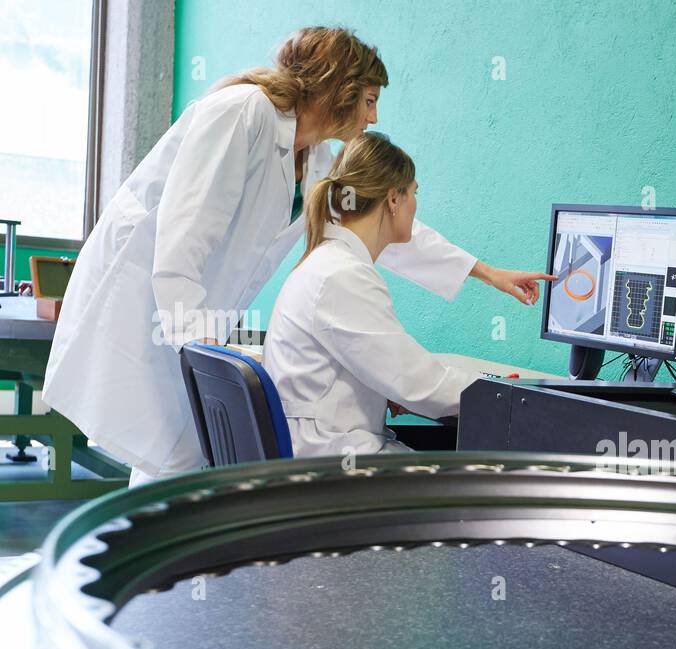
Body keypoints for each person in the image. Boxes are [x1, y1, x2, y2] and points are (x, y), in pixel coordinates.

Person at [43, 26, 548, 485]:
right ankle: (147, 551)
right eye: (369, 100)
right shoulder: (242, 112)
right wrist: (203, 355)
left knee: (175, 452)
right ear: (338, 88)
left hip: (192, 314)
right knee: (170, 449)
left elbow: (374, 219)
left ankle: (154, 549)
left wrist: (484, 272)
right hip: (149, 303)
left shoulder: (315, 157)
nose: (373, 117)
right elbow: (182, 240)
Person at [264, 133, 540, 456]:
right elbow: (420, 384)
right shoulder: (342, 276)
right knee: (483, 477)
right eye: (414, 192)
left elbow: (390, 371)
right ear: (393, 200)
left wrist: (387, 391)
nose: (415, 206)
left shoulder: (328, 264)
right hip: (332, 457)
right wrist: (506, 395)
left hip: (319, 448)